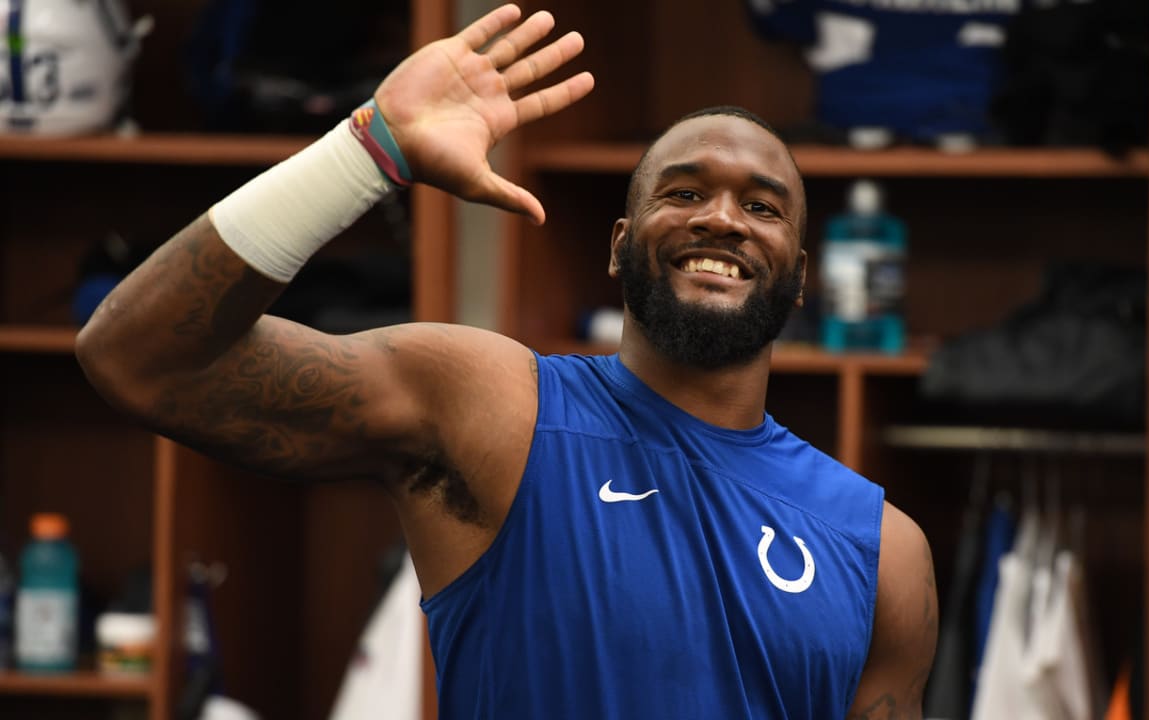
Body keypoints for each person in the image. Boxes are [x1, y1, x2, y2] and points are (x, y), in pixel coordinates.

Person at [75, 4, 937, 718]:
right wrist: (365, 152)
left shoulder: (881, 553)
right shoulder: (494, 410)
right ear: (619, 246)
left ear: (800, 280)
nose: (721, 218)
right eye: (683, 192)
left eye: (763, 207)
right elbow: (140, 359)